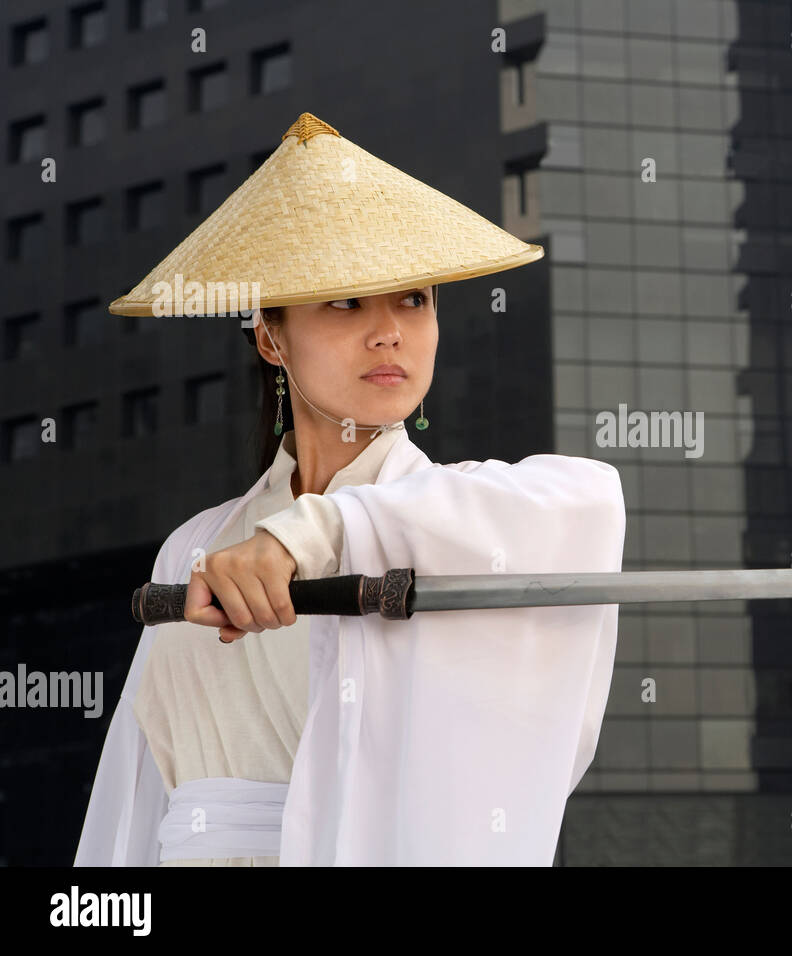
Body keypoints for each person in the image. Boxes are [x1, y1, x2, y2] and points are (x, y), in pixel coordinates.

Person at [73, 112, 625, 866]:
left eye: (414, 300)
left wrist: (317, 532)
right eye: (345, 301)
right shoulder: (196, 549)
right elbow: (135, 799)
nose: (390, 331)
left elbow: (588, 501)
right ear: (271, 337)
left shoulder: (452, 522)